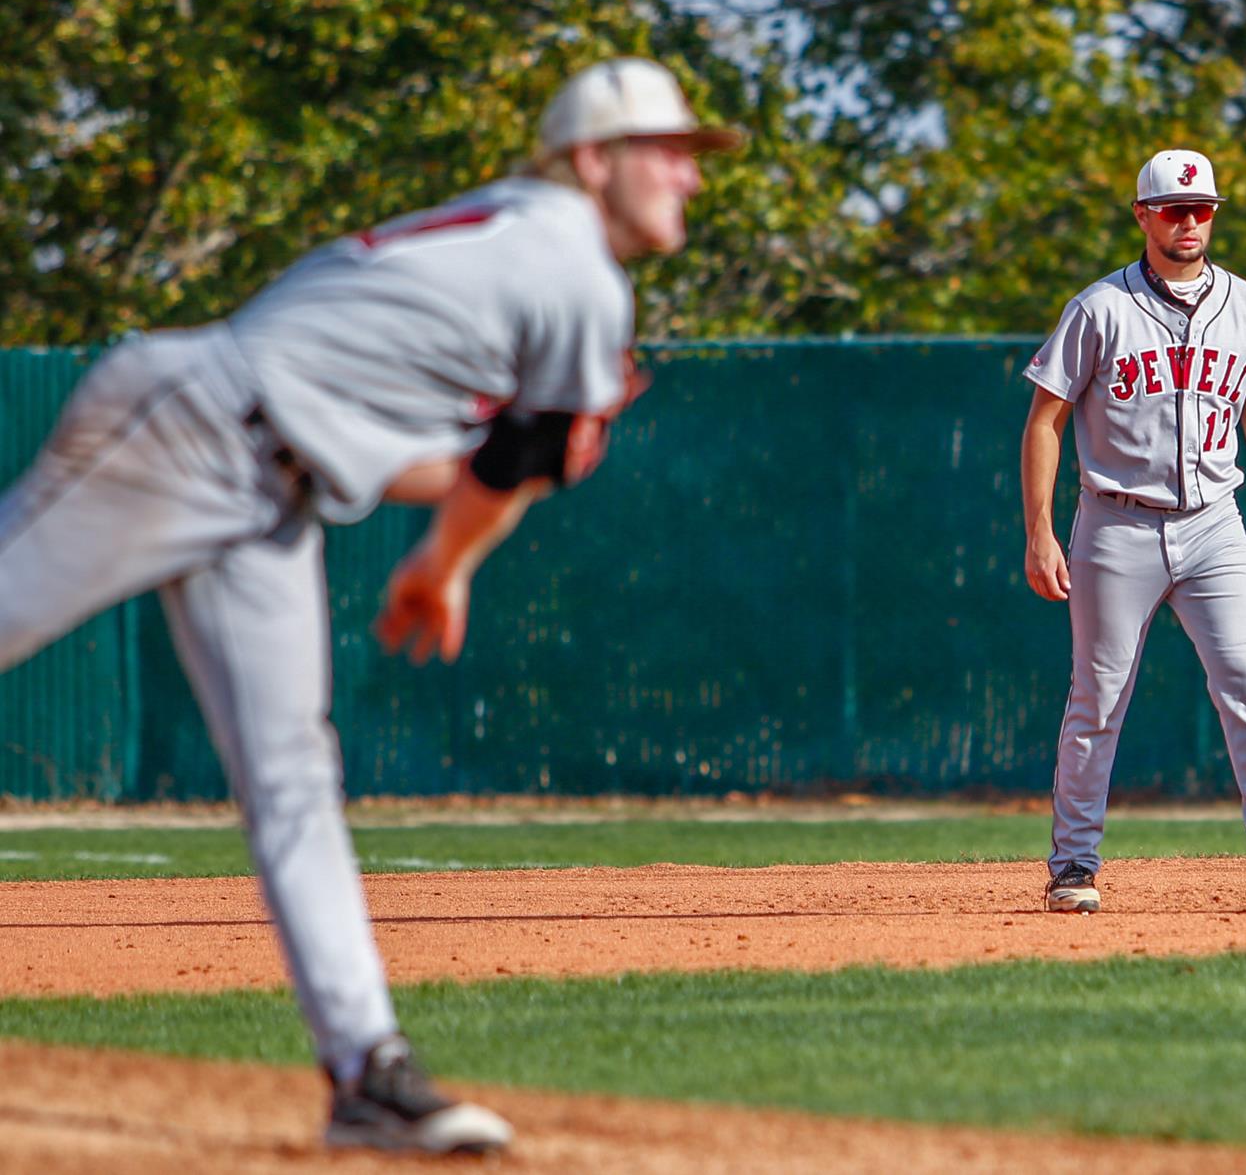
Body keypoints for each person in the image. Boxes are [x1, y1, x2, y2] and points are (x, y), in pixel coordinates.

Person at [0, 58, 740, 1153]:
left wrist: (470, 520)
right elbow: (515, 459)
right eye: (669, 151)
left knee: (295, 772)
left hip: (266, 474)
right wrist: (452, 559)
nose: (689, 174)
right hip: (196, 423)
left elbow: (445, 451)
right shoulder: (573, 265)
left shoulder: (510, 233)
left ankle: (365, 1069)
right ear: (595, 160)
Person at [1020, 148, 1246, 914]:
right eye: (1173, 208)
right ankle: (1073, 864)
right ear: (1143, 215)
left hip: (1215, 525)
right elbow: (1046, 420)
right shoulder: (1099, 309)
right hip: (1114, 523)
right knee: (1098, 697)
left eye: (1201, 208)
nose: (1190, 220)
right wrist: (1041, 530)